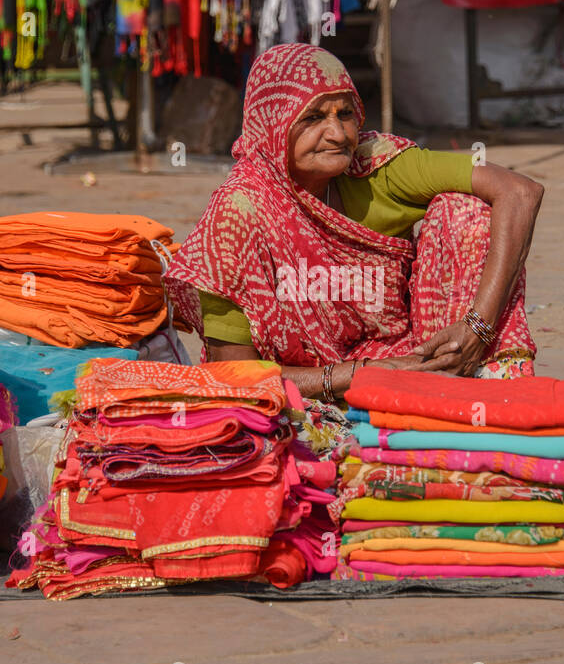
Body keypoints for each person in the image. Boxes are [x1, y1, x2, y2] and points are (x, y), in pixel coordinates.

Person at [165, 43, 543, 401]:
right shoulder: (237, 214)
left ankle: (480, 384)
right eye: (313, 118)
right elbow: (234, 373)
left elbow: (519, 191)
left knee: (466, 210)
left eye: (345, 114)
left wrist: (477, 326)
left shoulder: (373, 165)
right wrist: (360, 375)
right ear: (272, 124)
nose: (338, 134)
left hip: (418, 361)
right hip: (304, 385)